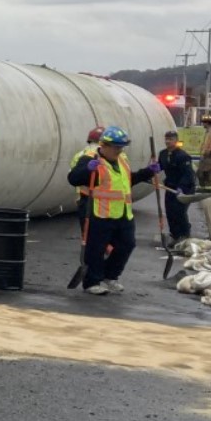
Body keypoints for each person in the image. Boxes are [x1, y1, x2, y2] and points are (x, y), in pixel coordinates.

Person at [66, 125, 159, 296]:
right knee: (96, 248)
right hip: (99, 213)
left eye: (121, 147)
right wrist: (87, 170)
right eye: (116, 147)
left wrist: (147, 173)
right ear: (104, 145)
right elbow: (73, 179)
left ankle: (110, 276)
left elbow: (128, 180)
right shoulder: (90, 160)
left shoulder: (121, 160)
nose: (119, 150)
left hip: (123, 214)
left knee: (127, 245)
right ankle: (92, 281)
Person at [155, 129, 197, 242]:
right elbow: (160, 166)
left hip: (185, 188)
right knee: (170, 211)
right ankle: (174, 235)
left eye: (171, 139)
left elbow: (188, 175)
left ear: (176, 141)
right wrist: (152, 171)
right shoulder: (163, 154)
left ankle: (184, 235)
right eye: (166, 139)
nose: (168, 141)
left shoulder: (183, 156)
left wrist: (181, 188)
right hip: (170, 187)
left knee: (179, 211)